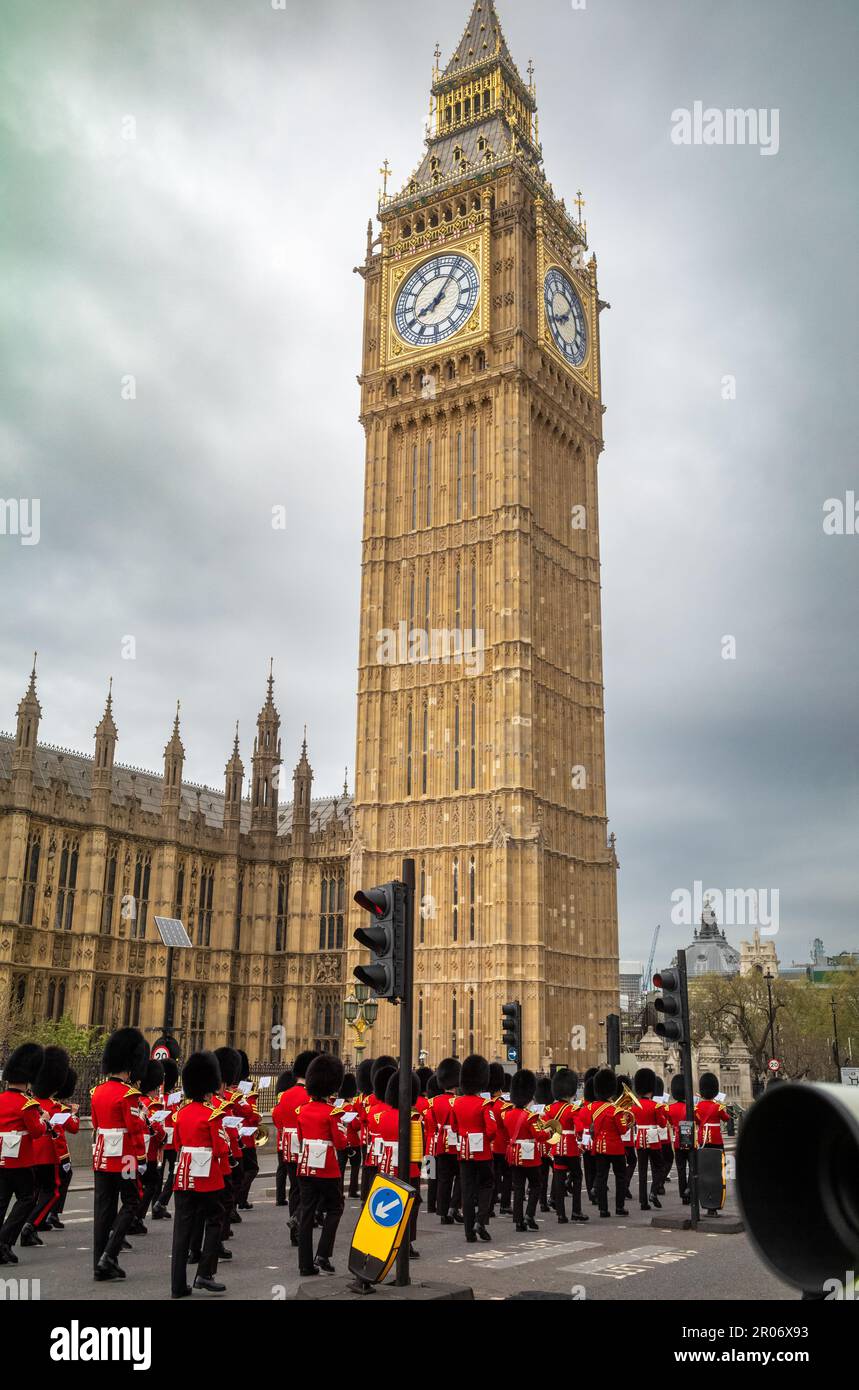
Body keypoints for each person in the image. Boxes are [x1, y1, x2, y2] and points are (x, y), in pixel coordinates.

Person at [171, 1050, 231, 1298]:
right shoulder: (212, 1114)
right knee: (215, 1220)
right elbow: (220, 1149)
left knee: (181, 1230)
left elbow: (176, 1145)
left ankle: (177, 1286)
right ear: (209, 1088)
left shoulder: (181, 1114)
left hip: (183, 1175)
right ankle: (205, 1274)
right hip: (206, 1176)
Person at [90, 1026, 149, 1281]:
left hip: (101, 1156)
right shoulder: (129, 1095)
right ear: (130, 1066)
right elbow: (135, 1130)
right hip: (124, 1158)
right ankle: (109, 1255)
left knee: (103, 1209)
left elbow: (94, 1123)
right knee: (133, 1201)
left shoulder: (97, 1092)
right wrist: (143, 1159)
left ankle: (98, 1263)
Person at [295, 1054, 348, 1277]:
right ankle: (323, 1255)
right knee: (335, 1207)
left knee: (306, 1214)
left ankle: (305, 1264)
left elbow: (299, 1138)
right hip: (326, 1168)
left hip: (306, 1166)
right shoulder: (332, 1113)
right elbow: (340, 1142)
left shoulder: (302, 1111)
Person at [0, 1042, 47, 1265]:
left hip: (1, 1158)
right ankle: (4, 1241)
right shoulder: (26, 1104)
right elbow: (37, 1132)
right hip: (20, 1160)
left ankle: (3, 1244)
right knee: (27, 1200)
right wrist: (44, 1120)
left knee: (1, 1201)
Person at [20, 1045, 70, 1248]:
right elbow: (72, 1127)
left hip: (31, 1155)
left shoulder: (30, 1103)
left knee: (32, 1195)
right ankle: (30, 1225)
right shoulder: (54, 1106)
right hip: (49, 1155)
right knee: (52, 1192)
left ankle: (26, 1224)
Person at [377, 1069, 423, 1256]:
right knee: (412, 1205)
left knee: (390, 1207)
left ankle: (386, 1241)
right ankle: (406, 1243)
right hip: (408, 1168)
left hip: (387, 1166)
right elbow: (420, 1148)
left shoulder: (382, 1116)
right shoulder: (414, 1118)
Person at [273, 1051, 318, 1242]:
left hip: (287, 1145)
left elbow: (276, 1118)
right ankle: (298, 1220)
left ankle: (294, 1234)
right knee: (310, 1189)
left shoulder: (285, 1095)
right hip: (305, 1145)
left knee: (294, 1189)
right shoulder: (310, 1096)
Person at [452, 1054, 495, 1243]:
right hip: (482, 1152)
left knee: (467, 1190)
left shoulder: (457, 1103)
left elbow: (454, 1127)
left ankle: (468, 1232)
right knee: (486, 1185)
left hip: (464, 1151)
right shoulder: (485, 1104)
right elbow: (492, 1130)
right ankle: (480, 1221)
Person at [501, 1070, 547, 1232]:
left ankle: (518, 1221)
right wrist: (549, 1131)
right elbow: (540, 1136)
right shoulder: (530, 1116)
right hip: (529, 1154)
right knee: (536, 1184)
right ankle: (529, 1215)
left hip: (513, 1153)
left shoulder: (507, 1115)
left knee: (518, 1187)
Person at [544, 1068, 588, 1224]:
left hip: (556, 1147)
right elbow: (581, 1129)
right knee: (577, 1177)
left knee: (559, 1179)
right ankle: (576, 1211)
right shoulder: (573, 1109)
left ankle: (561, 1215)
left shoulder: (549, 1109)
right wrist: (581, 1140)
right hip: (570, 1148)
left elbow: (546, 1128)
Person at [591, 1067, 631, 1219]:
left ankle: (603, 1209)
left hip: (599, 1146)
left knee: (601, 1177)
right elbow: (622, 1131)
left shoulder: (593, 1107)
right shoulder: (616, 1110)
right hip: (615, 1147)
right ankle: (619, 1207)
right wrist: (628, 1124)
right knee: (620, 1177)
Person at [132, 1060, 166, 1231]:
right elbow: (158, 1129)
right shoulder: (150, 1105)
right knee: (151, 1185)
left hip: (134, 1151)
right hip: (147, 1152)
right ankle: (136, 1217)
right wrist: (164, 1136)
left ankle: (134, 1217)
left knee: (136, 1186)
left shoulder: (135, 1100)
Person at [430, 1058, 462, 1225]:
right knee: (461, 1176)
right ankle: (453, 1206)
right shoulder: (458, 1101)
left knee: (444, 1178)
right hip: (456, 1145)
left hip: (441, 1144)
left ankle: (443, 1212)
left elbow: (430, 1124)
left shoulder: (433, 1102)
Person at [47, 1066, 79, 1229]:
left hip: (40, 1151)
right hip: (58, 1151)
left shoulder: (36, 1103)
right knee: (57, 1183)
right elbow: (73, 1128)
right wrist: (73, 1113)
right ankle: (51, 1213)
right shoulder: (58, 1107)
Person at [152, 1059, 181, 1221]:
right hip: (167, 1139)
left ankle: (158, 1204)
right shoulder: (164, 1098)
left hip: (164, 1139)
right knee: (173, 1173)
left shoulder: (163, 1097)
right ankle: (160, 1202)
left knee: (162, 1173)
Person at [632, 1067, 664, 1212]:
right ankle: (653, 1191)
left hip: (640, 1139)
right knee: (659, 1167)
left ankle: (643, 1201)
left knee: (642, 1171)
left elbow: (631, 1123)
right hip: (653, 1139)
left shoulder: (634, 1107)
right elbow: (662, 1123)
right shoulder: (656, 1105)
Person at [235, 1050, 261, 1212]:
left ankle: (240, 1199)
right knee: (251, 1169)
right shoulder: (239, 1095)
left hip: (241, 1137)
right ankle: (240, 1198)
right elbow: (250, 1114)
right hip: (245, 1137)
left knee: (243, 1170)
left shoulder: (235, 1093)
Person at [487, 1062, 511, 1217]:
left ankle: (490, 1206)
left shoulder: (487, 1104)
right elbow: (508, 1125)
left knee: (492, 1177)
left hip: (490, 1146)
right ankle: (505, 1204)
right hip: (503, 1145)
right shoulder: (503, 1105)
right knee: (507, 1176)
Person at [336, 1074, 363, 1199]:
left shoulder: (337, 1105)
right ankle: (353, 1190)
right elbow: (356, 1125)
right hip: (352, 1141)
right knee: (355, 1166)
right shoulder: (349, 1107)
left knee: (340, 1167)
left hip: (340, 1141)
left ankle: (339, 1191)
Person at [667, 1073, 691, 1204]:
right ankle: (689, 1189)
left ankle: (683, 1195)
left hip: (677, 1139)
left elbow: (669, 1121)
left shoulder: (670, 1108)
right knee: (693, 1167)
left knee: (681, 1169)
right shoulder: (690, 1107)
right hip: (688, 1135)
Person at [272, 1070, 294, 1207]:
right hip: (291, 1142)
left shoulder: (278, 1107)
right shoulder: (289, 1105)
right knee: (292, 1171)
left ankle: (279, 1197)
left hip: (281, 1141)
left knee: (281, 1170)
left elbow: (276, 1122)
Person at [579, 1068, 598, 1204]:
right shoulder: (600, 1108)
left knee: (588, 1168)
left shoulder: (582, 1107)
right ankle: (595, 1190)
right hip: (597, 1140)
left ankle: (591, 1190)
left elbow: (579, 1128)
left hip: (585, 1140)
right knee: (599, 1168)